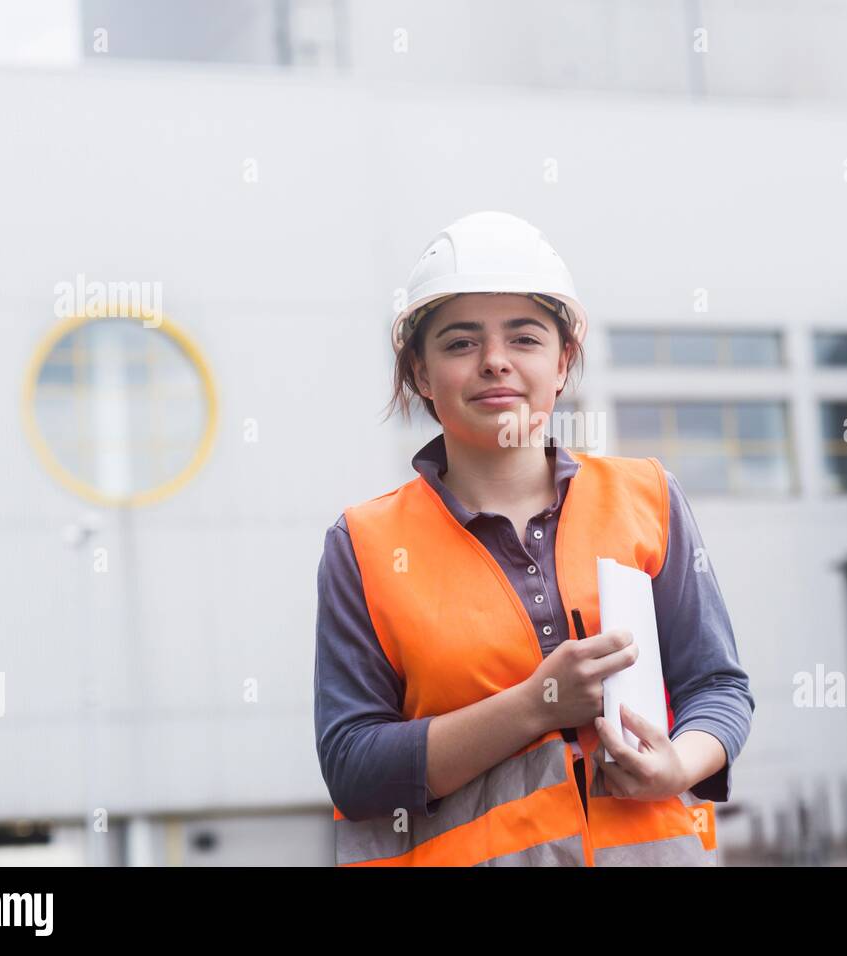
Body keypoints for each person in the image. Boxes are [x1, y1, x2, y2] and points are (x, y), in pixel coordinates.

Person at [314, 210, 754, 866]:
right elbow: (353, 766)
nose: (495, 363)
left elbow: (717, 686)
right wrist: (533, 706)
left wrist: (676, 766)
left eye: (524, 338)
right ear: (422, 375)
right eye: (461, 343)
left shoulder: (647, 497)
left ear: (562, 361)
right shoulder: (365, 544)